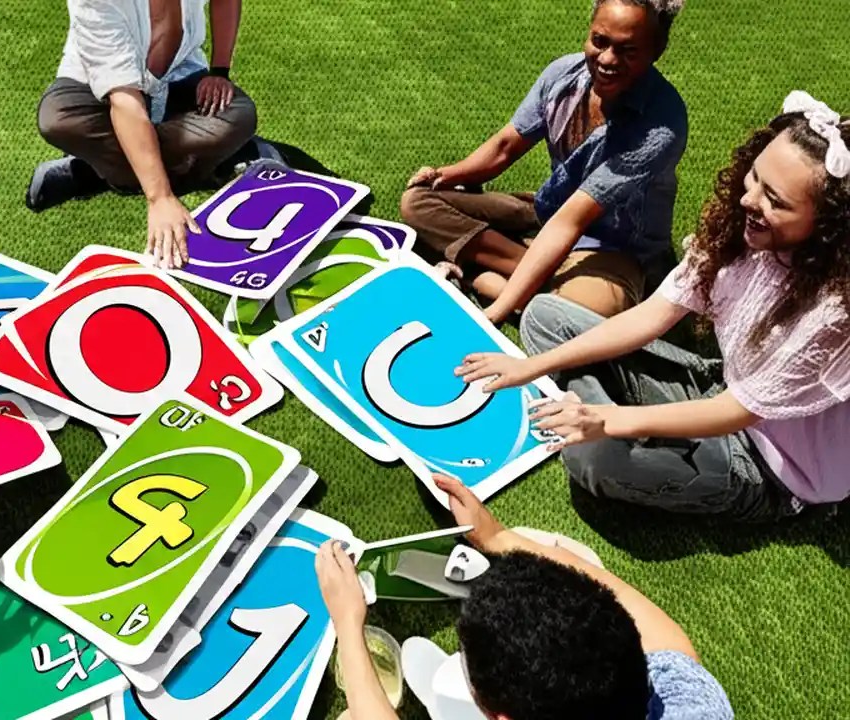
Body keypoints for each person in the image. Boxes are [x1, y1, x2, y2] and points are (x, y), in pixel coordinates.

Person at [456, 91, 850, 522]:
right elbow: (654, 314)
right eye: (754, 177)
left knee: (595, 461)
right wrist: (533, 366)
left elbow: (736, 412)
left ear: (828, 225)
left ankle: (595, 417)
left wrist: (606, 421)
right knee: (545, 316)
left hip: (767, 466)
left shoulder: (833, 313)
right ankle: (593, 414)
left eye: (775, 201)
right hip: (716, 387)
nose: (747, 200)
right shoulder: (742, 233)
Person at [316, 473, 733, 720]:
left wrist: (348, 626)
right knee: (540, 545)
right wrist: (501, 538)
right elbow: (670, 641)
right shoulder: (686, 701)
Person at [400, 0, 687, 325]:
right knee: (418, 202)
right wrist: (446, 175)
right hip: (547, 214)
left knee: (588, 311)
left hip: (615, 249)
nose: (607, 59)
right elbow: (505, 146)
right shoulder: (563, 74)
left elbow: (574, 219)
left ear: (656, 50)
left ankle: (479, 277)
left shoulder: (663, 125)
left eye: (628, 51)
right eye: (599, 41)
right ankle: (529, 278)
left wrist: (495, 312)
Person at [27, 0, 274, 269]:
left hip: (180, 73)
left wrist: (220, 72)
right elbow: (124, 99)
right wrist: (160, 197)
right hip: (96, 83)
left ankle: (91, 173)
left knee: (237, 116)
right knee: (58, 119)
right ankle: (215, 165)